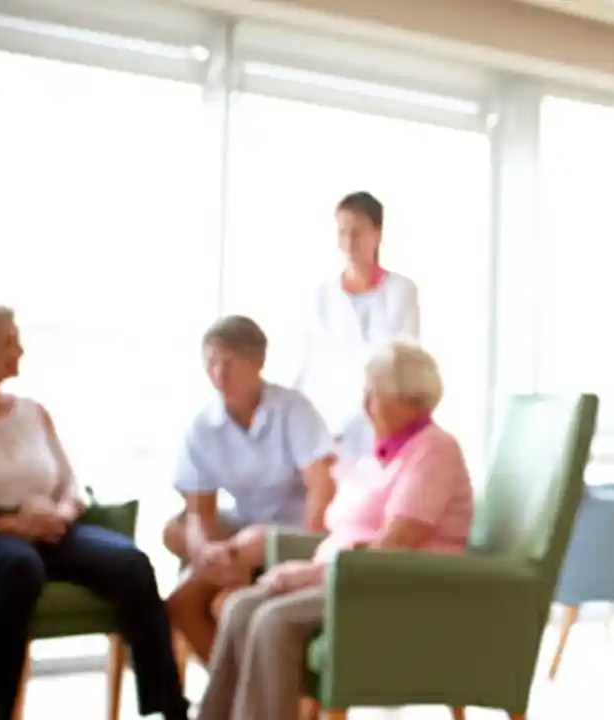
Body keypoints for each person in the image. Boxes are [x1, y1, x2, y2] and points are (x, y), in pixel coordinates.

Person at [198, 340, 473, 720]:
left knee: (272, 620)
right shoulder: (387, 453)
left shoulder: (435, 450)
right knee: (240, 607)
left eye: (373, 394)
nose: (364, 405)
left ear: (406, 399)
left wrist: (311, 574)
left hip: (394, 588)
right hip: (352, 579)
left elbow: (392, 546)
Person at [0, 303, 187, 720]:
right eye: (10, 341)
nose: (21, 350)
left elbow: (70, 483)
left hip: (51, 524)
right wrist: (6, 523)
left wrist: (62, 513)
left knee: (131, 562)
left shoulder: (32, 412)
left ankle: (169, 707)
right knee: (19, 567)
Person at [164, 315, 336, 663]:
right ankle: (232, 696)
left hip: (295, 531)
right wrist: (203, 550)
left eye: (229, 363)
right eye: (211, 363)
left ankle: (236, 580)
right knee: (181, 597)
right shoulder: (204, 425)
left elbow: (322, 486)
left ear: (258, 362)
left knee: (251, 543)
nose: (219, 374)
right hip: (244, 534)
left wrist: (310, 549)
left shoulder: (292, 409)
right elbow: (200, 510)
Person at [295, 191, 421, 458]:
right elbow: (308, 365)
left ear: (377, 234)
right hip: (329, 428)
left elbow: (403, 359)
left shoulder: (401, 291)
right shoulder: (321, 297)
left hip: (383, 423)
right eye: (342, 232)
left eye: (358, 232)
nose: (350, 242)